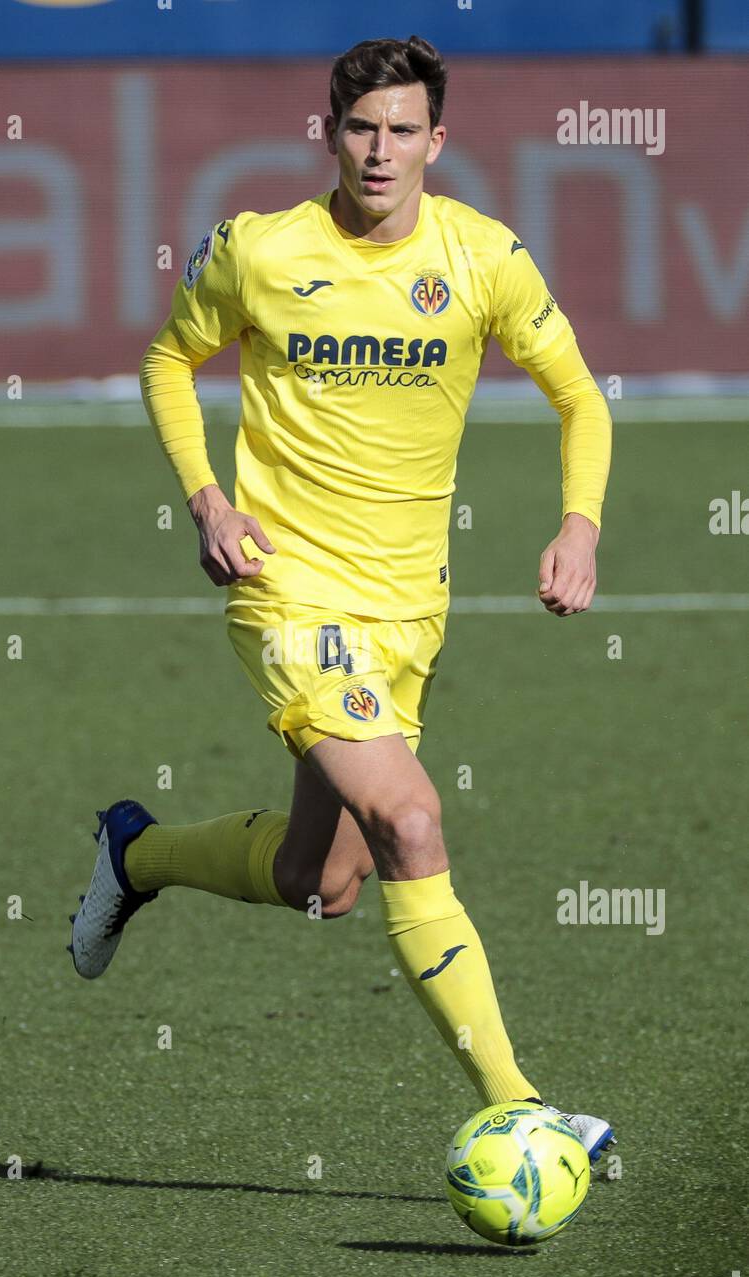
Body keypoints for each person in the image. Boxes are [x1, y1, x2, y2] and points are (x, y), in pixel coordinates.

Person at [70, 34, 615, 1163]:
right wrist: (209, 503)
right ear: (329, 134)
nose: (379, 152)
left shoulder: (482, 259)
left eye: (401, 129)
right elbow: (169, 360)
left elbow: (581, 398)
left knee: (319, 882)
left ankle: (136, 853)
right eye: (360, 129)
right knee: (411, 819)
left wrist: (578, 522)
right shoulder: (260, 251)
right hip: (286, 590)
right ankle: (519, 1103)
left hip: (407, 604)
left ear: (436, 141)